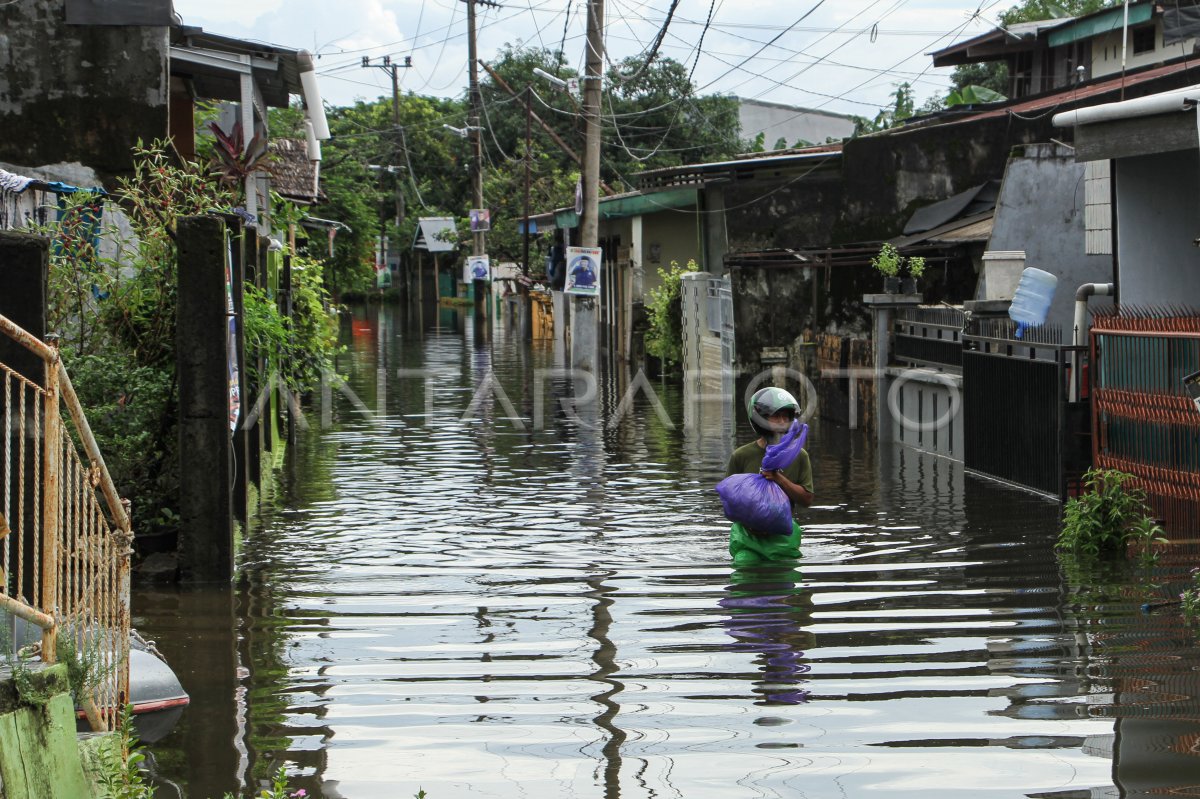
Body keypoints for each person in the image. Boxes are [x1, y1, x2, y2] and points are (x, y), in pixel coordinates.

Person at [725, 386, 814, 511]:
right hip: (746, 529)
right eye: (776, 416)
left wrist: (778, 478)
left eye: (786, 416)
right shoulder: (741, 456)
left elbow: (807, 500)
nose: (782, 421)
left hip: (782, 527)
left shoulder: (799, 455)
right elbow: (728, 498)